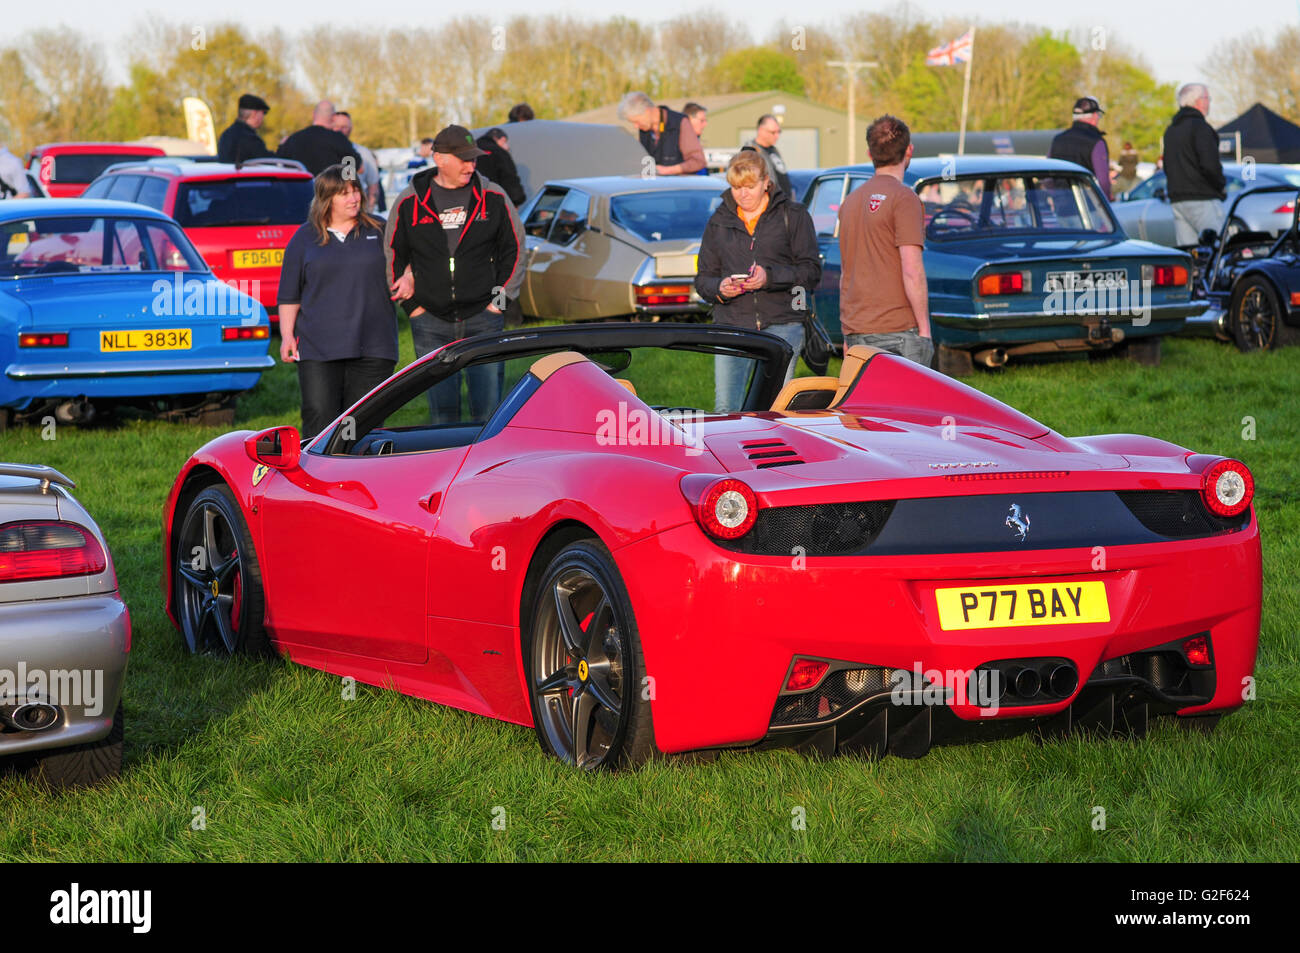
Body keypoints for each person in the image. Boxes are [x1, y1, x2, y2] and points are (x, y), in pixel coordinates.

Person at [384, 125, 525, 422]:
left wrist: (497, 304)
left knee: (487, 414)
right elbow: (393, 252)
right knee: (442, 415)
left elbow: (514, 250)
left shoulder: (494, 196)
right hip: (430, 321)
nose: (471, 165)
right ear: (439, 158)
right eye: (463, 159)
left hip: (484, 318)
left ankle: (485, 467)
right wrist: (413, 307)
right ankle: (448, 466)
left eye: (473, 158)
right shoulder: (409, 202)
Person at [695, 149, 822, 413]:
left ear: (766, 182)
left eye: (750, 186)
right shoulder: (718, 222)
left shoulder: (793, 215)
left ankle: (778, 453)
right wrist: (720, 288)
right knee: (726, 409)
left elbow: (811, 271)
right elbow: (703, 279)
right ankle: (729, 455)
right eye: (736, 187)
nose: (743, 194)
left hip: (783, 325)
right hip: (732, 326)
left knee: (776, 411)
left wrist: (770, 277)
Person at [277, 165, 398, 440]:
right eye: (344, 193)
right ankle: (316, 479)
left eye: (356, 190)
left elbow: (408, 262)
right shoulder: (304, 238)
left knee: (366, 425)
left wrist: (410, 276)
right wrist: (286, 336)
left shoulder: (379, 229)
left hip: (374, 345)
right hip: (318, 348)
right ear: (326, 199)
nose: (354, 197)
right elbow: (289, 295)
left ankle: (364, 480)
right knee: (319, 419)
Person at [836, 114, 933, 367]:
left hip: (857, 329)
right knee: (908, 405)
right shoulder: (904, 199)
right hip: (898, 330)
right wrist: (924, 328)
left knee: (866, 407)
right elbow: (912, 269)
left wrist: (847, 330)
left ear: (870, 153)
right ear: (909, 150)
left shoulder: (850, 202)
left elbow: (845, 272)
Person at [1163, 83, 1227, 246]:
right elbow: (1210, 166)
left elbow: (1167, 166)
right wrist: (1220, 186)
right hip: (1202, 197)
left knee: (1189, 252)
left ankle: (1194, 273)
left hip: (1178, 198)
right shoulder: (1200, 128)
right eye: (1207, 98)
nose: (1209, 103)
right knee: (1217, 249)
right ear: (1199, 101)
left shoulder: (1171, 131)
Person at [617, 91, 705, 175]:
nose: (635, 126)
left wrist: (669, 170)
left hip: (679, 187)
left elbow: (698, 162)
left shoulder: (680, 123)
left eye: (637, 121)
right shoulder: (644, 129)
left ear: (647, 111)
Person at [1047, 96, 1111, 199]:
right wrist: (1105, 202)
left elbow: (1048, 177)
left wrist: (1055, 197)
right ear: (1094, 116)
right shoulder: (1096, 142)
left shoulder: (1057, 140)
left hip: (1061, 205)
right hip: (1088, 207)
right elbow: (1103, 181)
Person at [277, 100, 361, 177]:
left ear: (314, 114)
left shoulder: (293, 139)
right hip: (328, 191)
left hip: (300, 191)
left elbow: (278, 164)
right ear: (333, 117)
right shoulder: (339, 139)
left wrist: (281, 146)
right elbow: (358, 166)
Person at [332, 110, 382, 212]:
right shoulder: (323, 151)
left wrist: (368, 212)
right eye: (336, 126)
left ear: (350, 129)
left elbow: (373, 186)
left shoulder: (363, 153)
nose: (339, 130)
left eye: (344, 127)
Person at [741, 115, 793, 198]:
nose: (777, 136)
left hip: (783, 204)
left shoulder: (774, 150)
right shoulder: (751, 151)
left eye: (778, 132)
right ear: (761, 130)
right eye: (773, 132)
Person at [216, 93, 273, 165]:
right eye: (263, 113)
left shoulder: (225, 135)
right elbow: (269, 161)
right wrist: (283, 148)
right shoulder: (250, 138)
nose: (263, 117)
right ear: (254, 114)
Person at [475, 128, 526, 206]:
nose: (507, 147)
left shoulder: (471, 151)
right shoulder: (499, 152)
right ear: (500, 139)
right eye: (505, 142)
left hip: (471, 202)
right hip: (495, 203)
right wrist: (517, 200)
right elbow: (509, 178)